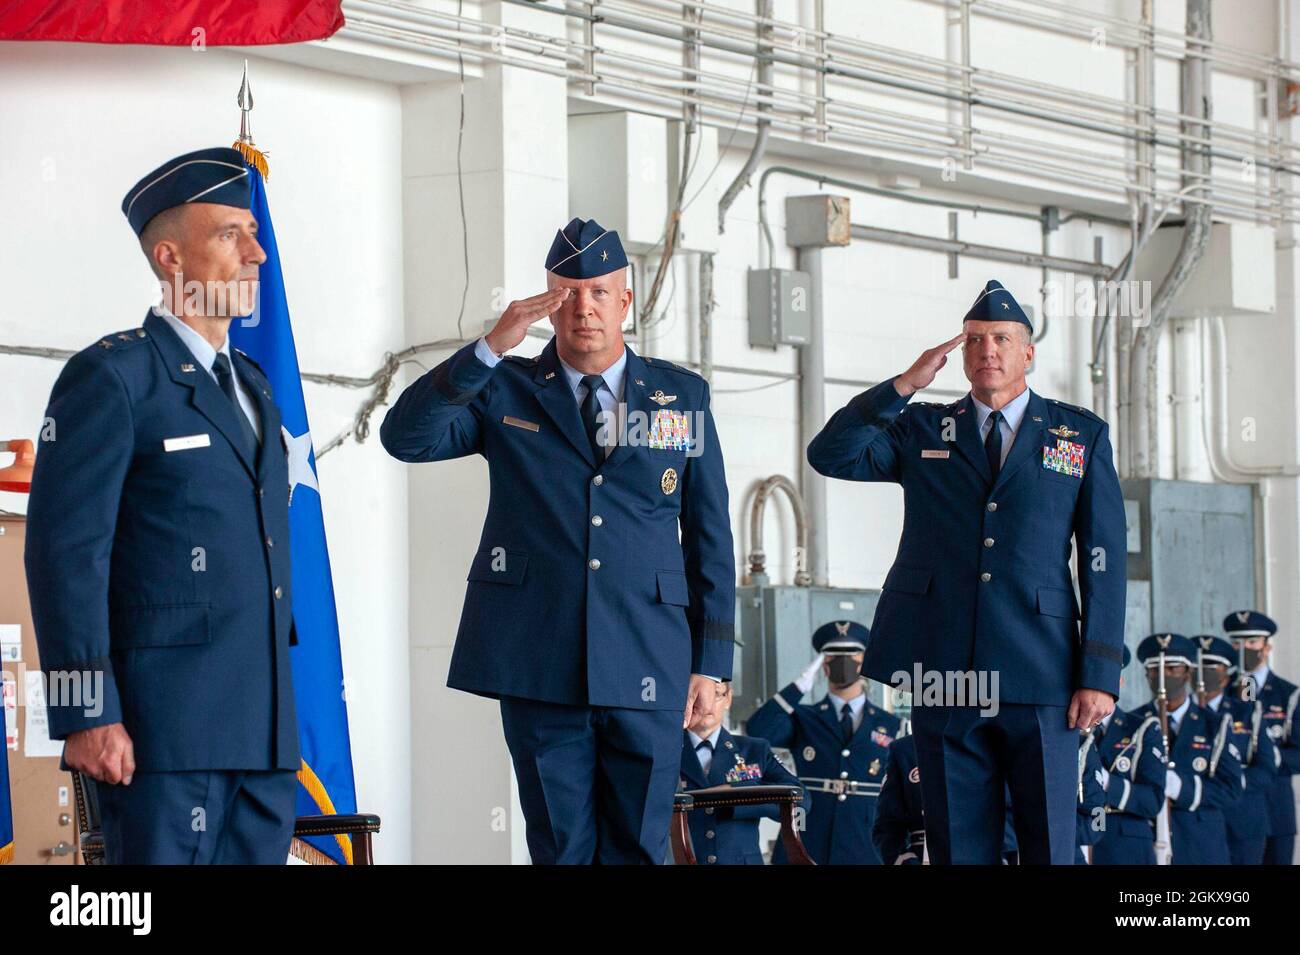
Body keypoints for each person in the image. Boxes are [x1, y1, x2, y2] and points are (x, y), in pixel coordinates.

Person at [380, 217, 736, 864]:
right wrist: (488, 348)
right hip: (542, 663)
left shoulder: (682, 396)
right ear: (546, 301)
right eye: (567, 292)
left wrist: (712, 662)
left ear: (625, 300)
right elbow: (406, 437)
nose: (584, 308)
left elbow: (710, 536)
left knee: (639, 849)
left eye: (599, 292)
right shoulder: (505, 387)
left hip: (649, 660)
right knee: (560, 849)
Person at [25, 147, 300, 863]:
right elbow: (64, 554)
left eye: (253, 233)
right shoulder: (114, 377)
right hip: (163, 735)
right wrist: (87, 711)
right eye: (230, 235)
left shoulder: (255, 387)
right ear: (170, 257)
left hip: (263, 736)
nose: (256, 254)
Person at [806, 279, 1127, 864]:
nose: (988, 351)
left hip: (1042, 668)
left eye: (1002, 339)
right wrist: (903, 387)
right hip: (944, 670)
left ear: (1028, 352)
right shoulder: (924, 427)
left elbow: (1103, 558)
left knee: (1050, 843)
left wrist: (1099, 671)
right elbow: (832, 454)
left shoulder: (1077, 435)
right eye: (975, 339)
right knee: (957, 846)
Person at [746, 620, 902, 864]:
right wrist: (799, 687)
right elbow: (758, 730)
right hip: (810, 835)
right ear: (823, 664)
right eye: (834, 655)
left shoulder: (892, 725)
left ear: (865, 660)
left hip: (865, 840)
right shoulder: (804, 718)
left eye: (851, 653)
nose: (843, 661)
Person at [1130, 634, 1242, 865]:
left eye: (1173, 668)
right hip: (1146, 842)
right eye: (1156, 669)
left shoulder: (1214, 724)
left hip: (1200, 845)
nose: (1164, 676)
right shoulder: (1133, 723)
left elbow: (1230, 788)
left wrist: (1180, 787)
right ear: (1146, 675)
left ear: (1188, 674)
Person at [678, 681, 803, 864]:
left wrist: (739, 796)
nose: (707, 703)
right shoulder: (666, 751)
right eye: (699, 694)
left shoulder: (754, 750)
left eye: (717, 694)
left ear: (728, 698)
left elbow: (802, 798)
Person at [1194, 633, 1279, 865]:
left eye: (1213, 668)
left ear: (1226, 675)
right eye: (1199, 667)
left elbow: (1266, 767)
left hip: (1244, 821)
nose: (1205, 674)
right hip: (1195, 823)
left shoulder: (1247, 713)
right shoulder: (1179, 717)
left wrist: (1232, 782)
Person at [1225, 610, 1299, 865]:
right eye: (1237, 642)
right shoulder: (1220, 692)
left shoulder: (1288, 695)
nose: (1244, 648)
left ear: (1267, 647)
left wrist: (1268, 756)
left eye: (1252, 642)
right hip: (1233, 811)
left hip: (1274, 807)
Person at [1090, 646, 1166, 865]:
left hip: (1124, 846)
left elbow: (1152, 801)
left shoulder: (1142, 729)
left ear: (1120, 682)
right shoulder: (1061, 729)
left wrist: (1105, 781)